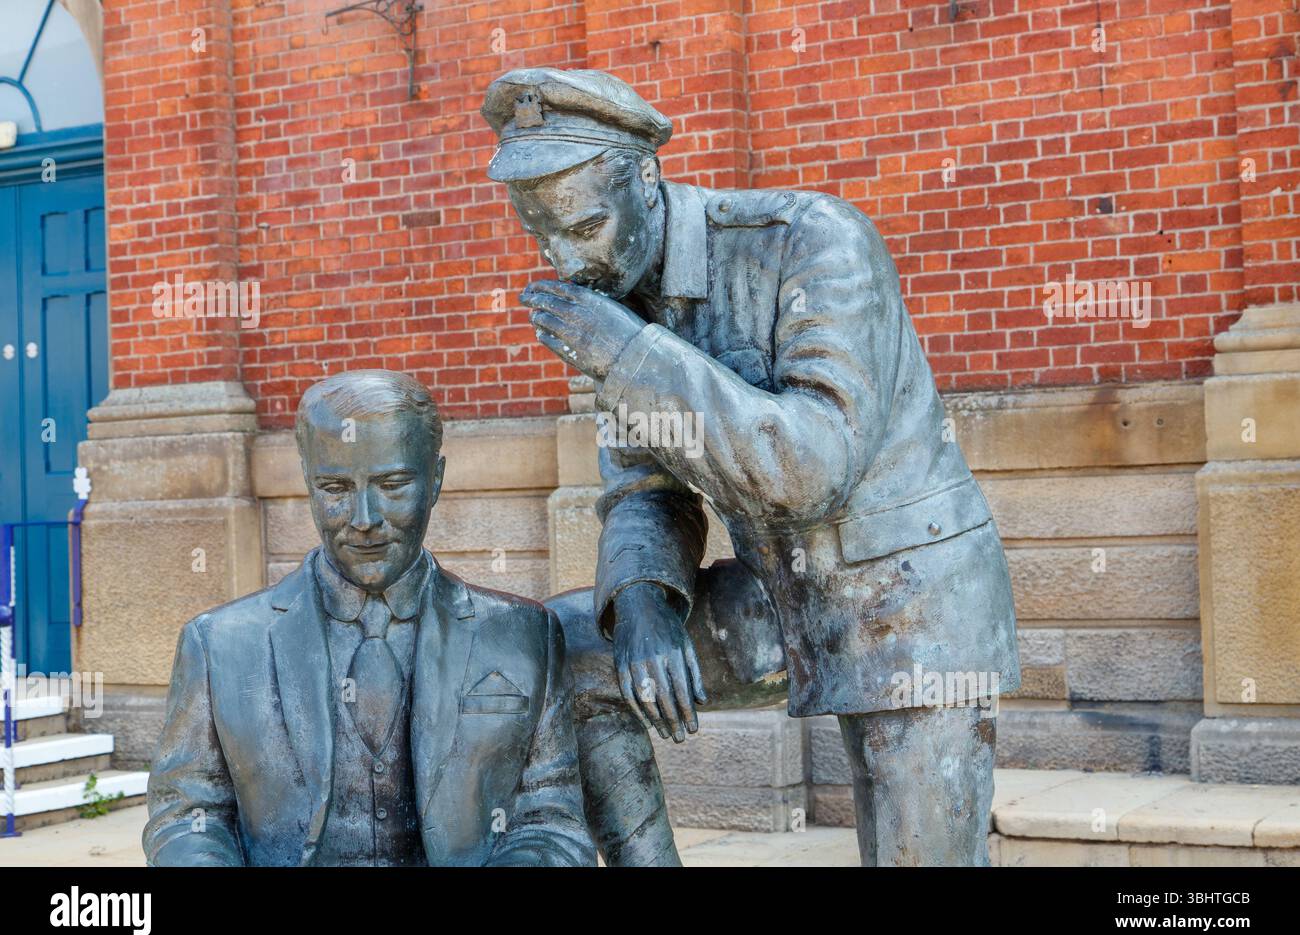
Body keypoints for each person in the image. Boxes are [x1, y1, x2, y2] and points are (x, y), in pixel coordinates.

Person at [482, 67, 1021, 866]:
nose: (567, 263)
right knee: (571, 651)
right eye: (545, 238)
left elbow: (811, 465)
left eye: (586, 226)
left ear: (647, 177)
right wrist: (643, 606)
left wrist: (628, 355)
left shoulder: (812, 239)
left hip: (910, 604)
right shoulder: (620, 301)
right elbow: (643, 486)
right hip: (784, 600)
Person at [143, 369, 594, 866]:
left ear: (436, 479)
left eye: (392, 484)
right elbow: (186, 814)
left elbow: (550, 820)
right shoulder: (219, 645)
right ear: (308, 484)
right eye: (335, 487)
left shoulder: (521, 635)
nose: (363, 519)